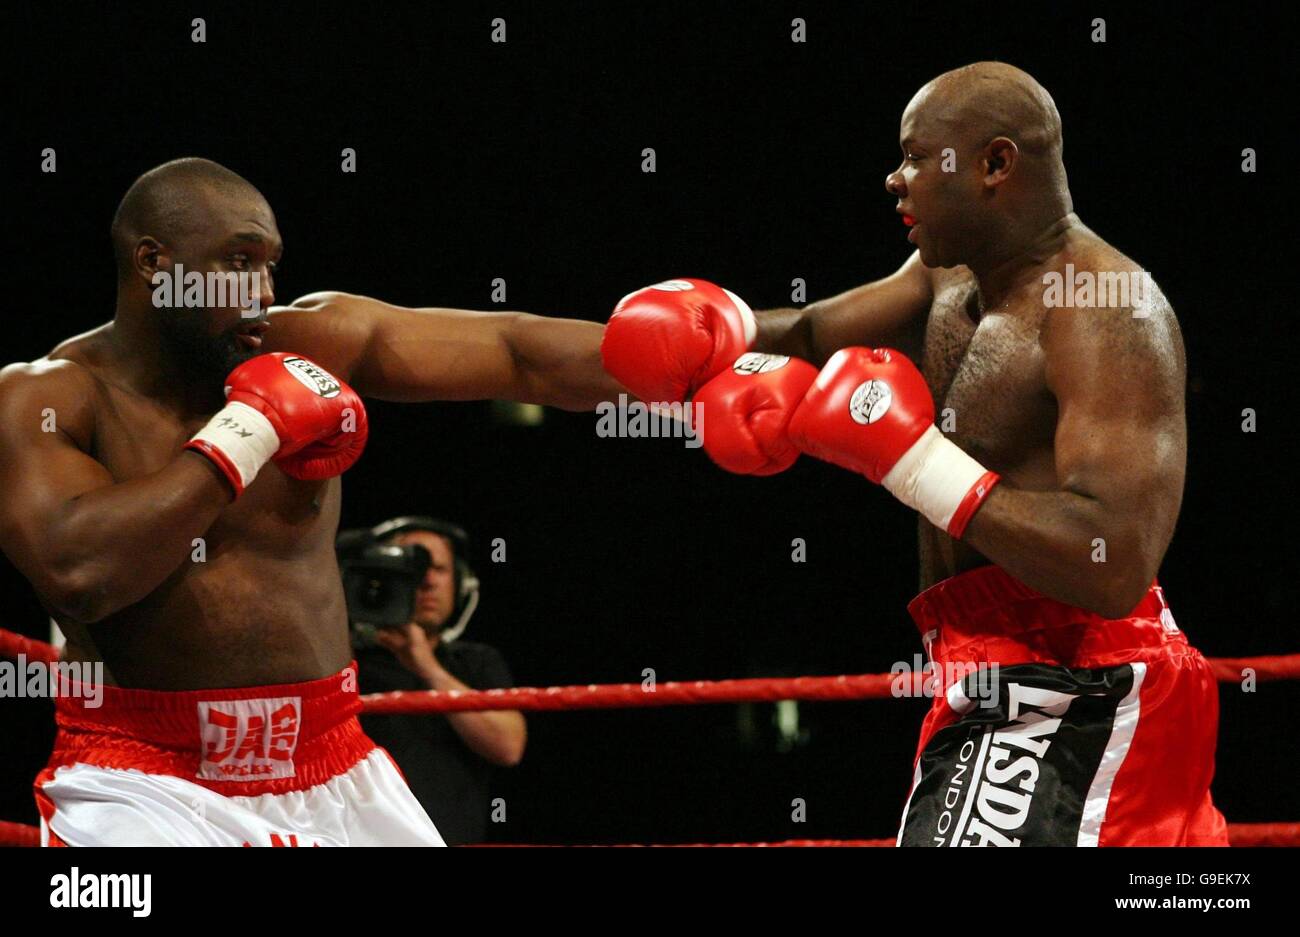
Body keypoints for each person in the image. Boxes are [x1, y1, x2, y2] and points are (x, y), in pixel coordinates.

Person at [601, 62, 1229, 846]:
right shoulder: (944, 278)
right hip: (989, 674)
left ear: (996, 164)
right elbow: (805, 334)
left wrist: (913, 462)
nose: (895, 179)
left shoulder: (1105, 306)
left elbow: (1115, 562)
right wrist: (707, 326)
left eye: (916, 157)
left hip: (1084, 682)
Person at [0, 157, 620, 846]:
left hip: (335, 760)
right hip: (151, 781)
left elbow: (515, 351)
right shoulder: (49, 396)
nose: (263, 292)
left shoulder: (311, 342)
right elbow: (81, 573)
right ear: (155, 262)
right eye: (240, 261)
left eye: (272, 266)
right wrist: (249, 430)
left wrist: (733, 352)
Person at [354, 516, 525, 845]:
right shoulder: (342, 663)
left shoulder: (475, 661)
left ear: (460, 582)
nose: (427, 581)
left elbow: (508, 747)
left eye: (440, 569)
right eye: (414, 567)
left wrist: (426, 666)